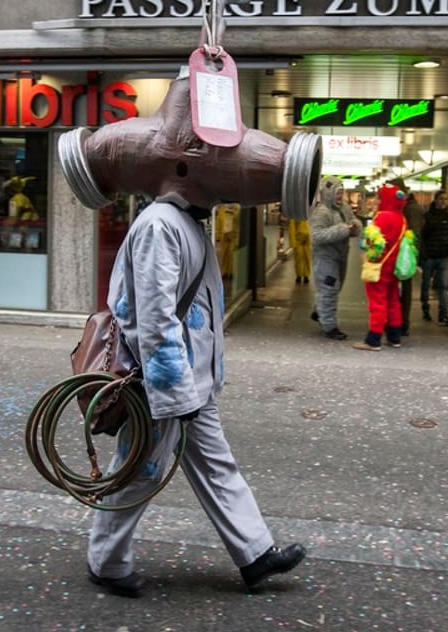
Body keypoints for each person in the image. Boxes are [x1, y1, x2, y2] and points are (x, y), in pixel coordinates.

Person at [88, 197, 306, 598]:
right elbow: (153, 317)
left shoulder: (184, 222)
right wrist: (175, 390)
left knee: (215, 465)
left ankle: (255, 554)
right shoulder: (161, 225)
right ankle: (106, 561)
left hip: (191, 381)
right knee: (141, 470)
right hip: (165, 382)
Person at [353, 184, 408, 351]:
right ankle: (394, 337)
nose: (376, 200)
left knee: (377, 302)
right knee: (393, 301)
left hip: (379, 267)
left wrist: (364, 254)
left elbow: (371, 242)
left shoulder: (382, 217)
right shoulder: (402, 218)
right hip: (394, 267)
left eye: (379, 197)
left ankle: (373, 339)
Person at [308, 176, 361, 340]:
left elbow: (353, 221)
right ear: (328, 194)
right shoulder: (320, 212)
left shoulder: (344, 208)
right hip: (326, 259)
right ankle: (329, 326)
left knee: (333, 288)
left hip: (341, 256)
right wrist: (344, 229)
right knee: (329, 290)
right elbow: (316, 236)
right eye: (337, 193)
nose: (340, 196)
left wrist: (355, 227)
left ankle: (320, 311)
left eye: (342, 193)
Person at [419, 190, 448, 327]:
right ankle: (425, 307)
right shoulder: (427, 217)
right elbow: (421, 236)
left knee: (443, 286)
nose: (443, 201)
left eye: (446, 199)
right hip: (429, 256)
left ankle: (443, 315)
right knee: (425, 284)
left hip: (444, 256)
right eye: (441, 199)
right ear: (435, 200)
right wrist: (423, 254)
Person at [398, 190, 425, 336]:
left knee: (404, 290)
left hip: (405, 256)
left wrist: (412, 255)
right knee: (400, 290)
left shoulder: (412, 210)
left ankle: (403, 323)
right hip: (403, 255)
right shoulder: (407, 208)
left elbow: (415, 234)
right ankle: (399, 322)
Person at [288, 217, 311, 284]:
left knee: (307, 258)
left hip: (307, 241)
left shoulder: (307, 215)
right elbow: (292, 229)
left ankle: (306, 275)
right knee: (298, 259)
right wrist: (293, 243)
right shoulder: (294, 217)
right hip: (298, 240)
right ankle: (299, 275)